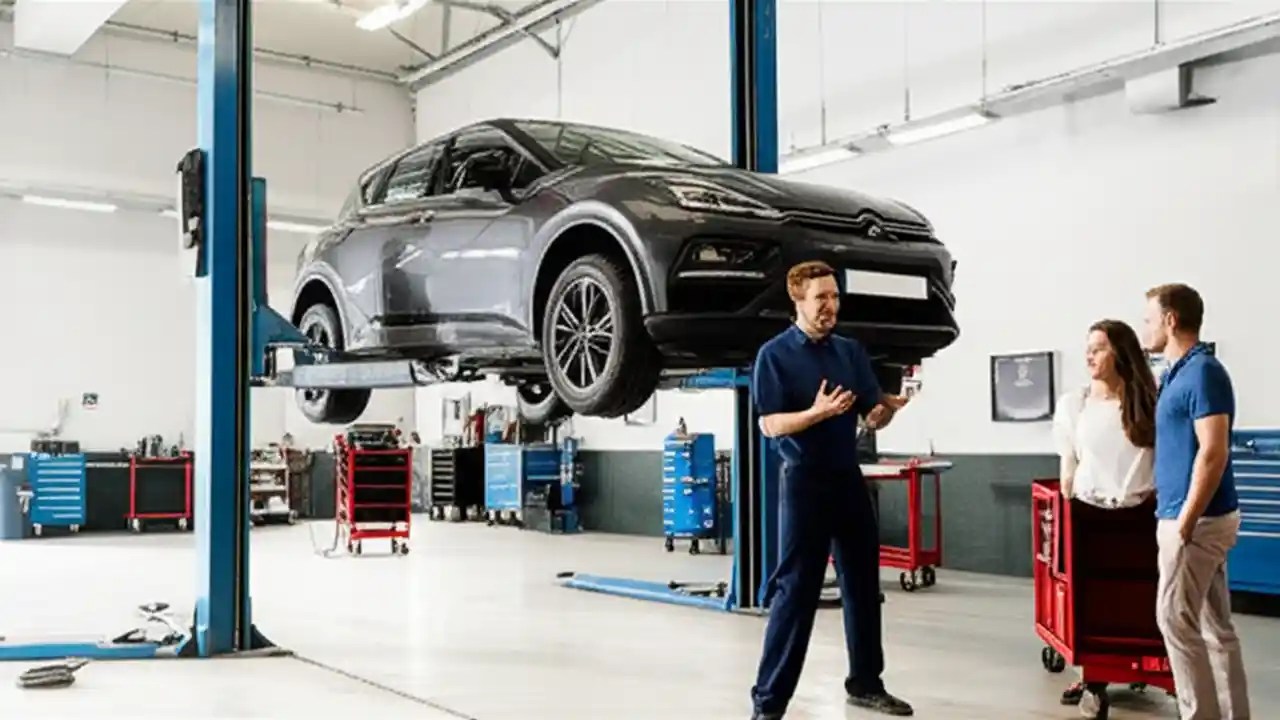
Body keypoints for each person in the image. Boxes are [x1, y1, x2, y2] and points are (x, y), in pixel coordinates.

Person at [748, 260, 913, 719]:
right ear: (797, 300)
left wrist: (885, 410)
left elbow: (867, 411)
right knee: (795, 591)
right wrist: (816, 414)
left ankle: (866, 683)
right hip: (804, 482)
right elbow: (769, 424)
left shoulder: (849, 351)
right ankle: (768, 703)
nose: (831, 306)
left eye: (835, 296)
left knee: (862, 584)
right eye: (821, 298)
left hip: (847, 478)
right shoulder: (775, 355)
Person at [1142, 283, 1250, 719]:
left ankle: (1199, 714)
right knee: (1214, 627)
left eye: (1148, 318)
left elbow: (1214, 451)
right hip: (1195, 517)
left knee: (1174, 620)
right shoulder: (1177, 372)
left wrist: (1185, 521)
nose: (1144, 326)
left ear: (1171, 320)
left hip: (1196, 521)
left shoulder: (1204, 371)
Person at [1052, 319, 1158, 718]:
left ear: (1120, 353)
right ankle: (1094, 678)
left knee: (1136, 601)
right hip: (1090, 518)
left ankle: (1141, 665)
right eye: (1088, 347)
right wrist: (1067, 477)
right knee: (1094, 604)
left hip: (1139, 521)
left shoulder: (1147, 400)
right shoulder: (1074, 404)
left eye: (1098, 348)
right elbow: (1069, 461)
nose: (1089, 355)